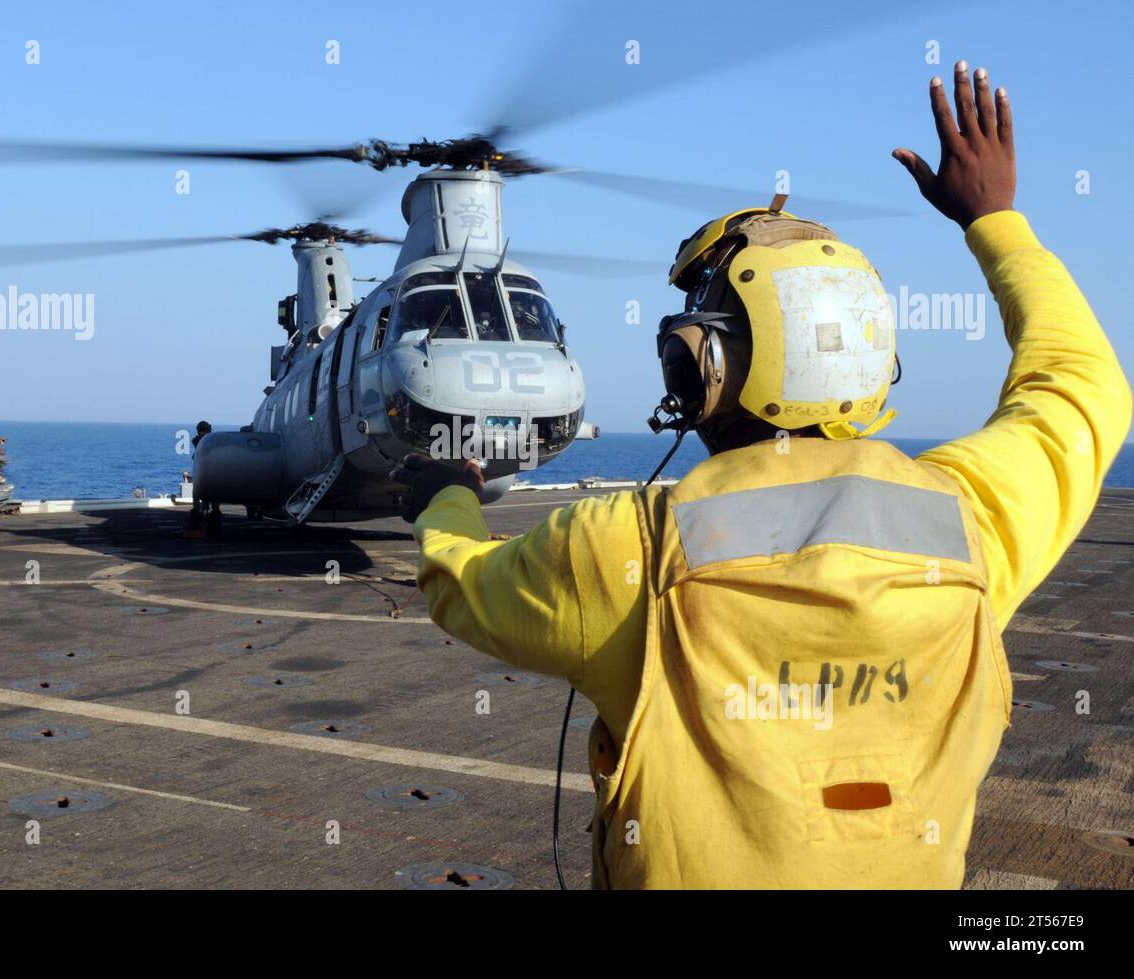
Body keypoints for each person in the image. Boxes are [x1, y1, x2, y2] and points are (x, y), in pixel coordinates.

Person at [393, 63, 1132, 888]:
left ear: (703, 371)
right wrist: (996, 221)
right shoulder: (972, 521)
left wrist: (446, 496)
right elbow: (1083, 388)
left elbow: (458, 581)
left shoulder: (624, 552)